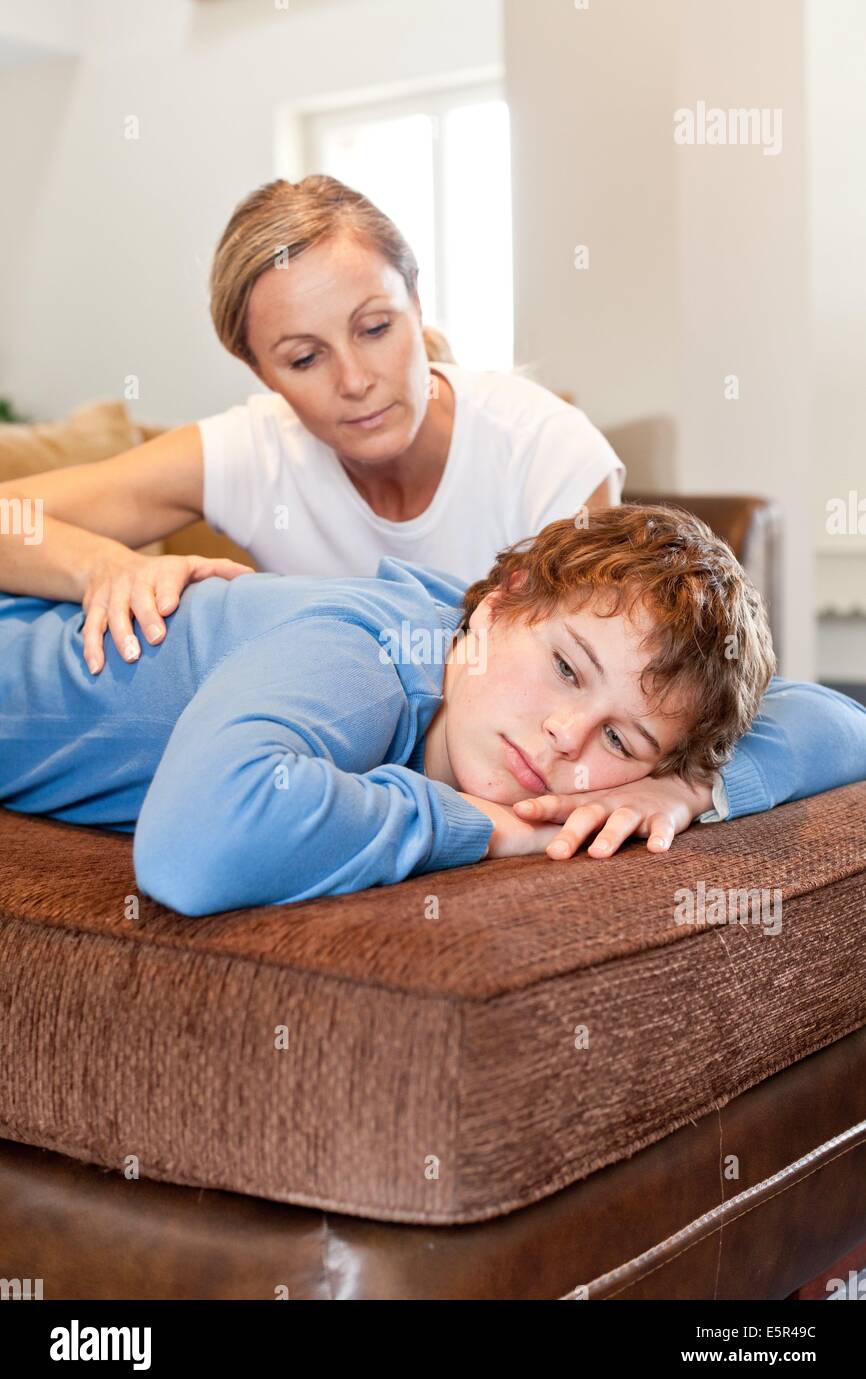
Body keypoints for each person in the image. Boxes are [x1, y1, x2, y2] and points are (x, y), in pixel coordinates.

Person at [1, 505, 864, 917]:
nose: (568, 736)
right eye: (566, 669)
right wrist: (492, 828)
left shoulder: (494, 651)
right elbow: (192, 851)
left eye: (620, 736)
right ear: (498, 604)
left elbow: (840, 724)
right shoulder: (371, 657)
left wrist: (690, 789)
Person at [0, 175, 624, 676]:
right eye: (304, 358)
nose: (354, 380)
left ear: (416, 302)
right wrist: (104, 566)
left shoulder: (547, 452)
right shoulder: (258, 447)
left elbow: (597, 677)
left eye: (375, 328)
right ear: (262, 373)